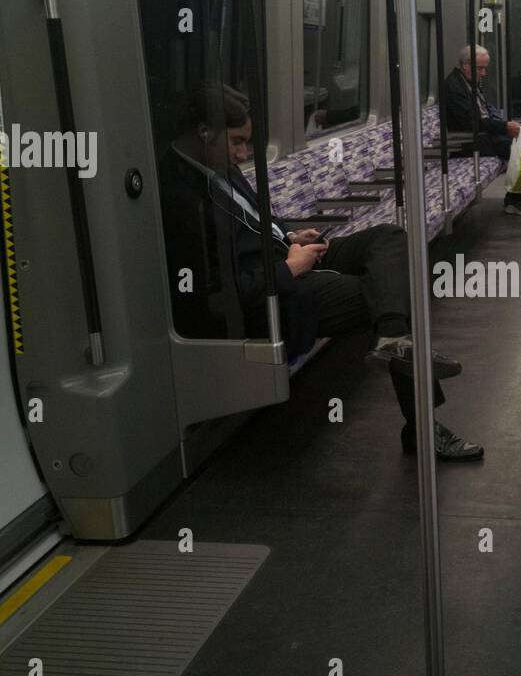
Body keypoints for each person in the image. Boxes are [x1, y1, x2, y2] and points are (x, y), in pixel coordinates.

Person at [158, 85, 484, 460]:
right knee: (388, 292)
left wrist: (290, 234)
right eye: (236, 142)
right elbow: (211, 298)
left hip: (287, 255)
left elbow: (252, 220)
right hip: (272, 293)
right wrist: (288, 268)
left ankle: (393, 336)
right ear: (204, 132)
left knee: (391, 238)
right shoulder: (176, 198)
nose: (243, 153)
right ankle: (422, 425)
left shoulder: (217, 165)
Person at [443, 45, 521, 216]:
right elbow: (471, 122)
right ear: (466, 65)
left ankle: (520, 197)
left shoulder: (468, 82)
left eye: (485, 68)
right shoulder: (454, 87)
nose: (483, 73)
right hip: (465, 142)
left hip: (483, 134)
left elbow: (484, 113)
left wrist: (504, 125)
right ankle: (514, 201)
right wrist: (504, 127)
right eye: (480, 68)